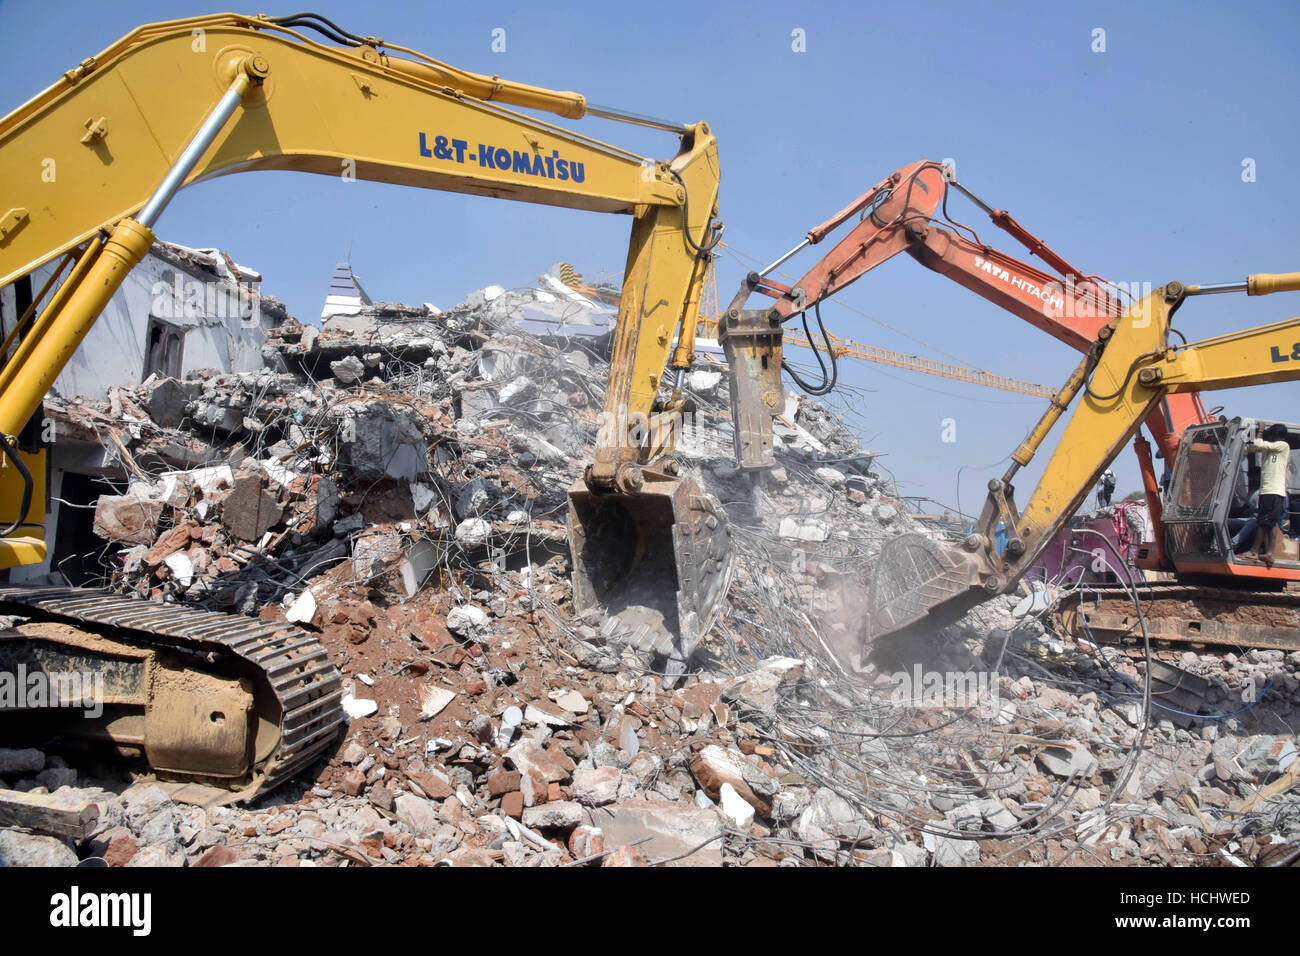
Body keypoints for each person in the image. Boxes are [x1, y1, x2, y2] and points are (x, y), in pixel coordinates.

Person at [1248, 423, 1291, 567]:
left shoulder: (1282, 445)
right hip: (1266, 490)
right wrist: (1256, 437)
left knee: (1265, 522)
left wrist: (1260, 432)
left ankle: (1257, 551)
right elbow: (1252, 447)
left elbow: (1262, 445)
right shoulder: (1267, 449)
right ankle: (1267, 552)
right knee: (1267, 522)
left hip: (1274, 490)